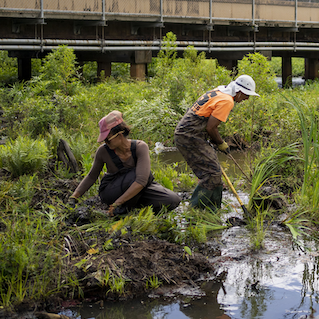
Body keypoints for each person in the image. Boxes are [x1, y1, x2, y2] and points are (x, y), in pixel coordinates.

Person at [174, 74, 259, 210]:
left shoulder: (219, 91)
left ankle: (213, 209)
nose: (247, 98)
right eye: (246, 95)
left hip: (190, 134)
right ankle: (196, 209)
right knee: (212, 173)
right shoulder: (227, 101)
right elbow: (211, 127)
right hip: (189, 136)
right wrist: (221, 143)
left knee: (215, 170)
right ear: (239, 92)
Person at [71, 110, 181, 215]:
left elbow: (141, 181)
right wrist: (74, 197)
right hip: (112, 190)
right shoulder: (103, 151)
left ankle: (131, 207)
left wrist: (118, 203)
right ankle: (123, 208)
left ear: (119, 135)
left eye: (108, 139)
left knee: (172, 199)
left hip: (137, 188)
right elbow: (91, 176)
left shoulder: (140, 147)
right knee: (141, 176)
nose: (105, 142)